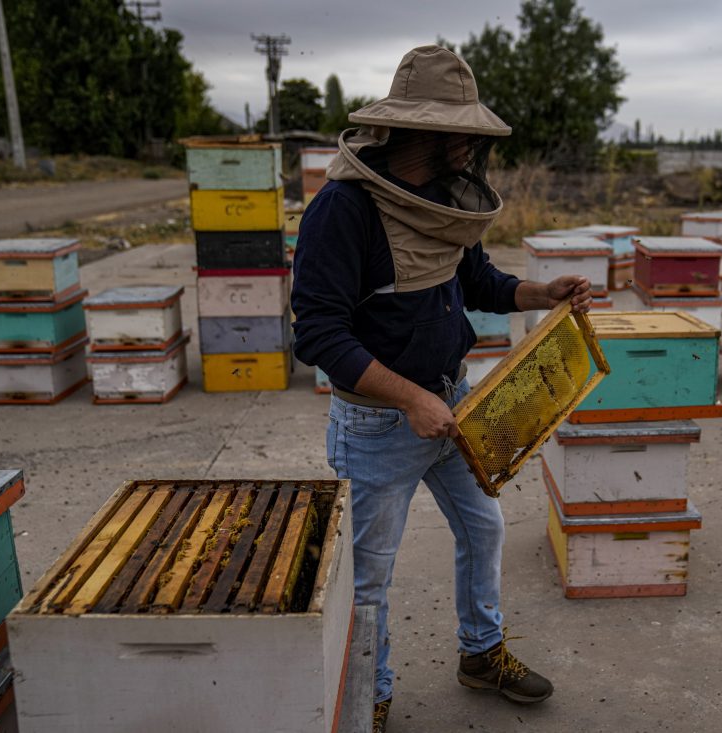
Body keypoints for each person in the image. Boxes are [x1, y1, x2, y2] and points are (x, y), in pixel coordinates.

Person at [290, 45, 591, 733]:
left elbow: (477, 281)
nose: (473, 146)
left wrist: (545, 292)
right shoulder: (343, 210)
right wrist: (409, 398)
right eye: (463, 132)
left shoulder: (446, 200)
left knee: (482, 528)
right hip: (378, 427)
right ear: (422, 131)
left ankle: (480, 653)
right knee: (367, 579)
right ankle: (371, 691)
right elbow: (320, 335)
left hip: (453, 404)